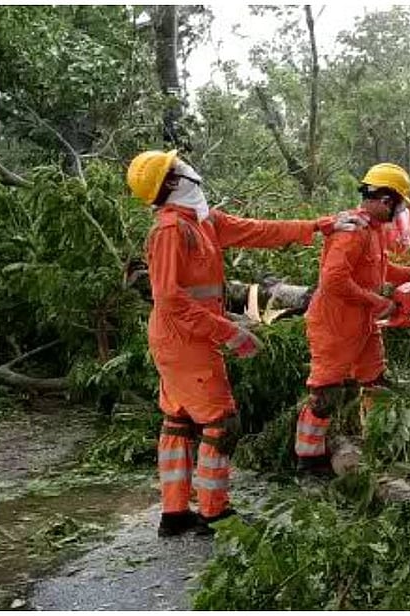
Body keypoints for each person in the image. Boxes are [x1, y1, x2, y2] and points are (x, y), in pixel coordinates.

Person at [126, 149, 367, 537]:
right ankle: (214, 513)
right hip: (183, 341)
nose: (189, 169)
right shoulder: (171, 230)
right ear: (171, 182)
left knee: (179, 420)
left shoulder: (203, 221)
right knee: (222, 423)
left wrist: (321, 225)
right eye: (179, 167)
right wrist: (231, 331)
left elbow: (259, 230)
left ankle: (174, 514)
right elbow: (170, 299)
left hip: (186, 338)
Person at [294, 162, 410, 474]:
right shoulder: (352, 232)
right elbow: (333, 281)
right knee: (325, 394)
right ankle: (308, 460)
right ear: (386, 200)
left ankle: (376, 442)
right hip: (335, 324)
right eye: (399, 205)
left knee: (376, 383)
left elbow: (378, 270)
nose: (399, 212)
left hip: (363, 323)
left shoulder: (374, 231)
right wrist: (378, 302)